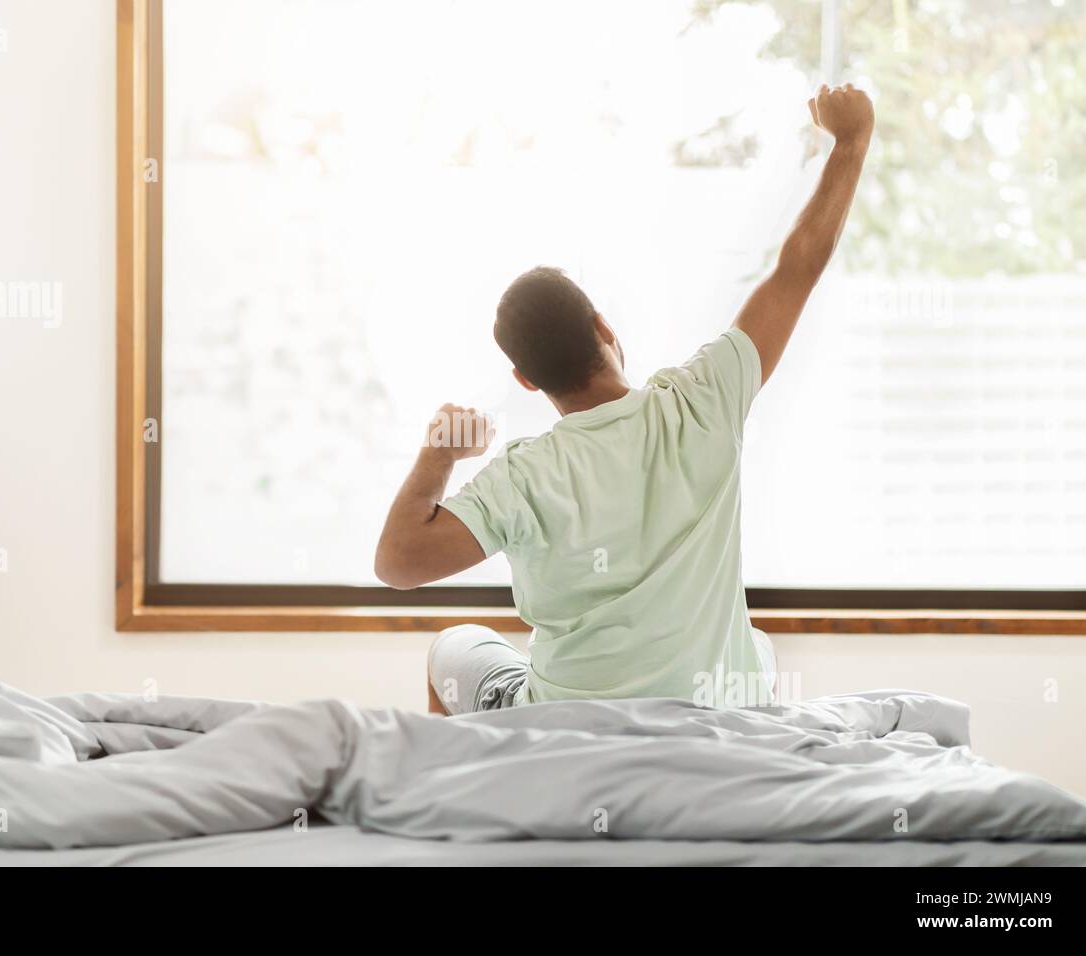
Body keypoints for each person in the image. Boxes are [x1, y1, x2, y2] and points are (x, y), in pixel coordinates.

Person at [374, 85, 875, 715]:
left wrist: (438, 454)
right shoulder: (703, 397)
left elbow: (397, 562)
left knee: (456, 644)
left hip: (565, 725)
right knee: (755, 650)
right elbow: (798, 266)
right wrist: (851, 141)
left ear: (527, 380)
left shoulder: (522, 477)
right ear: (606, 330)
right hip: (714, 711)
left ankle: (477, 798)